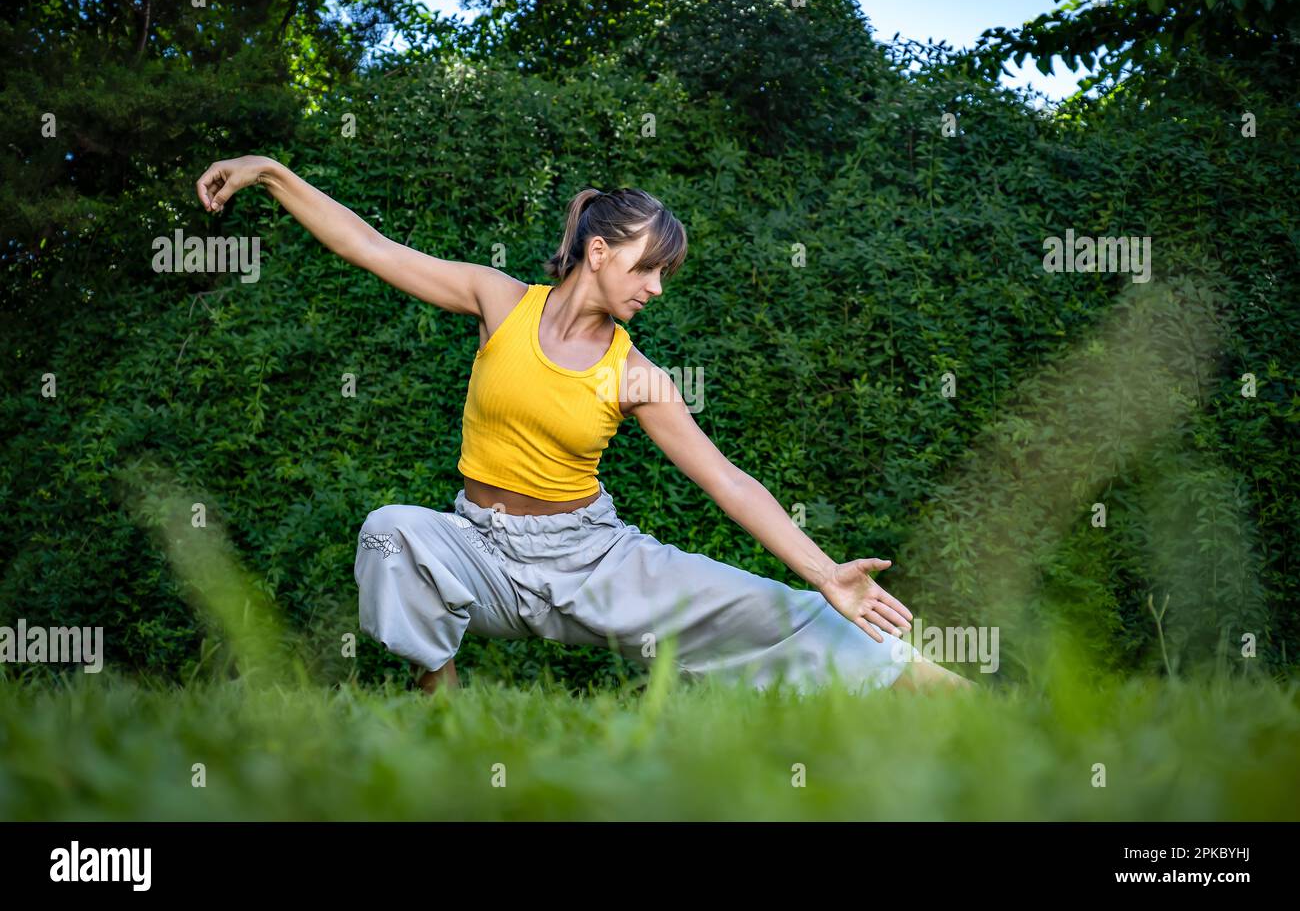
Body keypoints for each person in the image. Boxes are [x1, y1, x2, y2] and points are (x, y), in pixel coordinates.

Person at [196, 156, 975, 697]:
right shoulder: (498, 300)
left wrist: (825, 570)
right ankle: (438, 703)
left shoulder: (637, 375)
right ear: (597, 252)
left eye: (666, 274)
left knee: (779, 611)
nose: (657, 288)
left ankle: (947, 695)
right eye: (646, 268)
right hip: (479, 550)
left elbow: (728, 480)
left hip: (592, 558)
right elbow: (368, 245)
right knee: (390, 533)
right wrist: (270, 173)